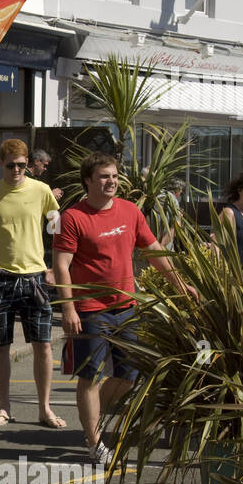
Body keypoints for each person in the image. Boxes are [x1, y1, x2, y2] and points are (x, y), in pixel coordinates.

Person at [54, 153, 195, 466]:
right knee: (90, 377)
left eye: (114, 176)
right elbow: (62, 266)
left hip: (126, 306)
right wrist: (68, 308)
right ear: (88, 181)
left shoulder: (130, 211)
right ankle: (93, 441)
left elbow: (154, 250)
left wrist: (179, 283)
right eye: (104, 176)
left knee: (128, 376)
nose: (112, 181)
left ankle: (94, 416)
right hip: (89, 309)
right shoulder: (73, 217)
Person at [0, 139, 66, 429]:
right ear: (1, 163)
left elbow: (57, 225)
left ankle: (45, 409)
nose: (17, 170)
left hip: (35, 276)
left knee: (44, 345)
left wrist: (53, 266)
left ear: (28, 164)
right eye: (11, 165)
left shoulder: (41, 191)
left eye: (22, 165)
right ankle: (4, 408)